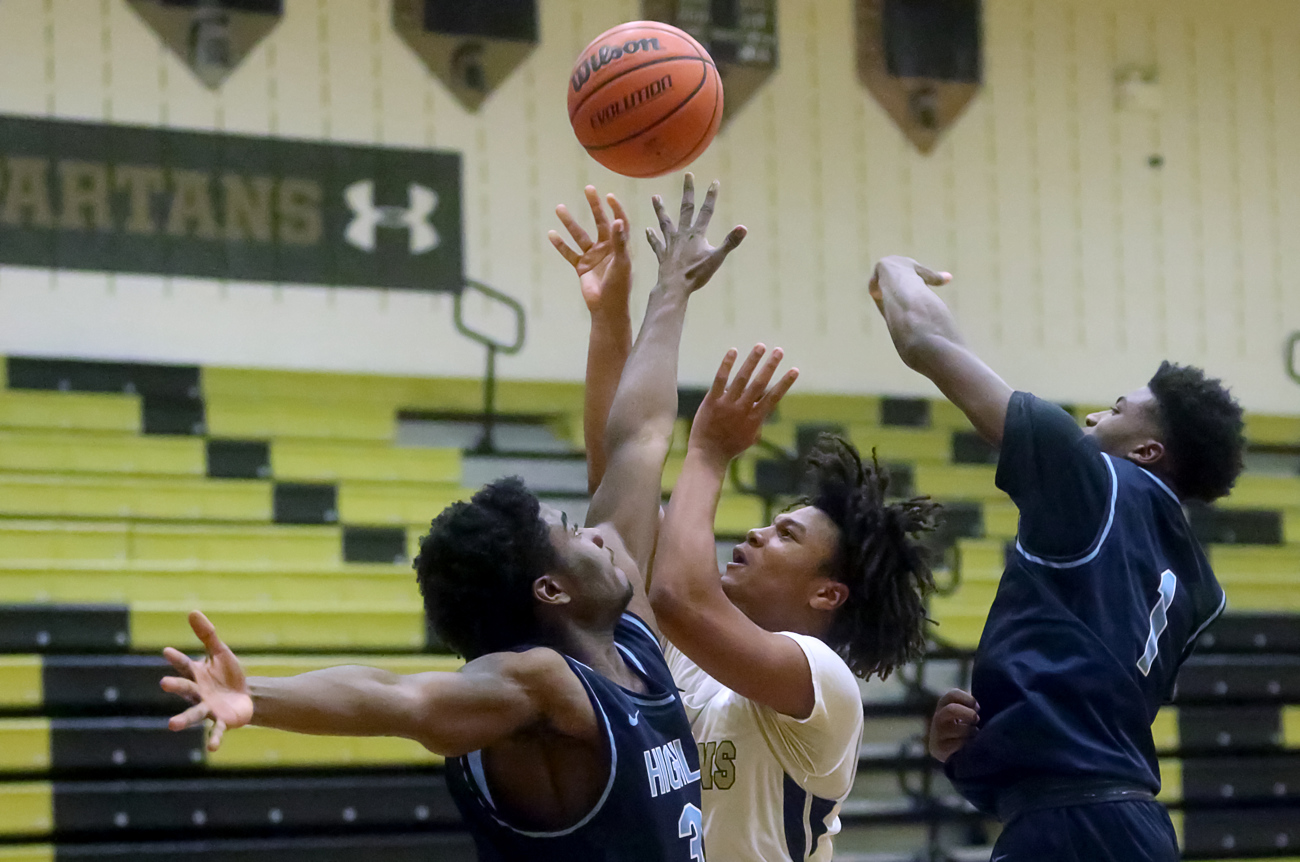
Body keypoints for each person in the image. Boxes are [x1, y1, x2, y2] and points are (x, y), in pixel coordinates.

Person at [158, 176, 744, 862]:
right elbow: (400, 699)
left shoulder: (630, 638)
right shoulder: (543, 687)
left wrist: (661, 293)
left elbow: (639, 439)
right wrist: (255, 695)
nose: (596, 531)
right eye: (573, 533)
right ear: (551, 589)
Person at [870, 255, 1245, 862]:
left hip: (1073, 829)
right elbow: (1087, 705)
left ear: (1147, 450)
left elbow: (924, 338)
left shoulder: (1094, 483)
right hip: (1130, 826)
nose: (1095, 415)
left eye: (1118, 409)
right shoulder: (1199, 586)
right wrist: (969, 752)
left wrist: (891, 269)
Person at [580, 243, 942, 860]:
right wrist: (612, 320)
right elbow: (621, 482)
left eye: (785, 536)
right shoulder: (688, 654)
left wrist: (711, 452)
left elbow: (678, 594)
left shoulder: (822, 681)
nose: (755, 535)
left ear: (827, 592)